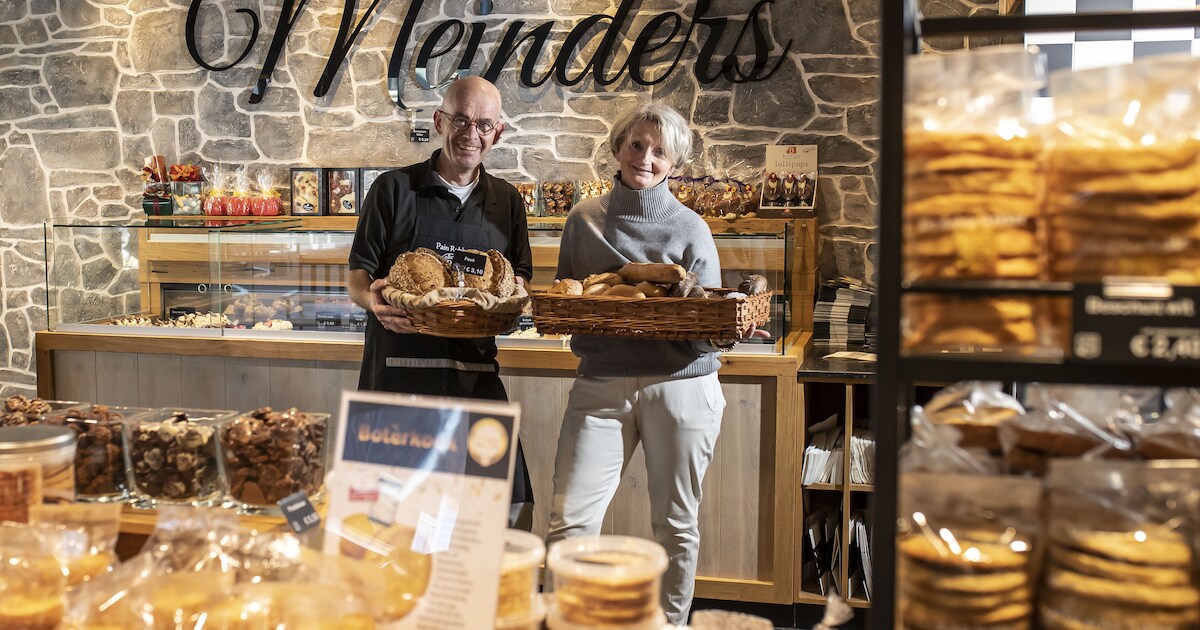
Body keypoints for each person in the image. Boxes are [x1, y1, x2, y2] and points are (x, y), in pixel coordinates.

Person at [546, 102, 768, 625]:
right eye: (637, 145)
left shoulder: (692, 228)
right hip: (601, 383)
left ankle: (668, 624)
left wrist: (724, 329)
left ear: (675, 161)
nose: (645, 158)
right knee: (570, 521)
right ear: (618, 148)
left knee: (674, 524)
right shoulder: (584, 221)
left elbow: (707, 324)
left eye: (660, 151)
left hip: (683, 387)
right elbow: (569, 298)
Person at [348, 76, 534, 529]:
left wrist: (511, 308)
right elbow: (358, 278)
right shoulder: (393, 189)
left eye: (484, 125)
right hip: (397, 377)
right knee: (386, 524)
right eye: (461, 120)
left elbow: (519, 279)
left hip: (474, 378)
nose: (471, 134)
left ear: (498, 133)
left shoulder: (506, 201)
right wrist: (373, 303)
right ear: (439, 121)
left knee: (492, 517)